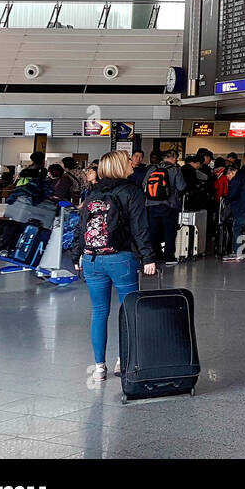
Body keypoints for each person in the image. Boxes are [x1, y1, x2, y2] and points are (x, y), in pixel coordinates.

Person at [71, 149, 156, 383]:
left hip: (92, 259)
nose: (132, 163)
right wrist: (148, 257)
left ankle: (99, 367)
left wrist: (77, 255)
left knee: (99, 312)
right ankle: (123, 360)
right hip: (121, 258)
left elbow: (80, 226)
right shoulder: (131, 191)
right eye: (128, 160)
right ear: (120, 166)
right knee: (128, 310)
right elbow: (140, 227)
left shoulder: (93, 193)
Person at [143, 149, 186, 266]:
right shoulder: (175, 170)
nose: (176, 160)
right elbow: (181, 187)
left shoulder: (152, 169)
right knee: (169, 231)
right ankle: (169, 257)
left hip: (151, 204)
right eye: (176, 158)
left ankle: (154, 255)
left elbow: (144, 185)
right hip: (169, 205)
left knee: (153, 231)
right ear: (173, 157)